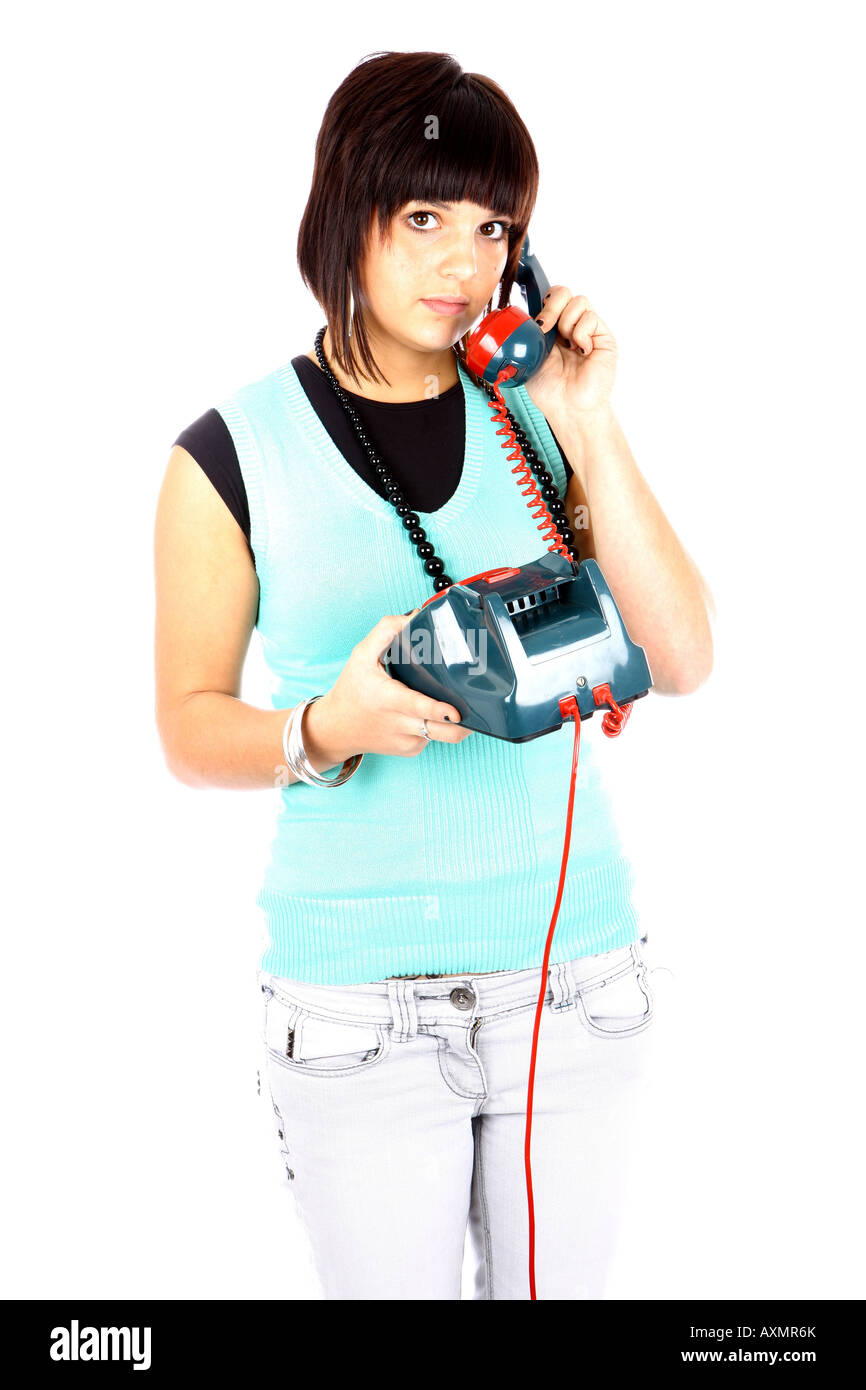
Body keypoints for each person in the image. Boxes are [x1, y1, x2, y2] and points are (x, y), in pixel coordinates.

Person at [154, 50, 714, 1300]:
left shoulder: (538, 413)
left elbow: (678, 656)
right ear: (344, 209)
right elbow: (188, 729)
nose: (462, 266)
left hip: (574, 990)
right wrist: (324, 726)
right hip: (354, 1015)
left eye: (490, 227)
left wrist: (591, 423)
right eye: (422, 220)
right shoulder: (225, 452)